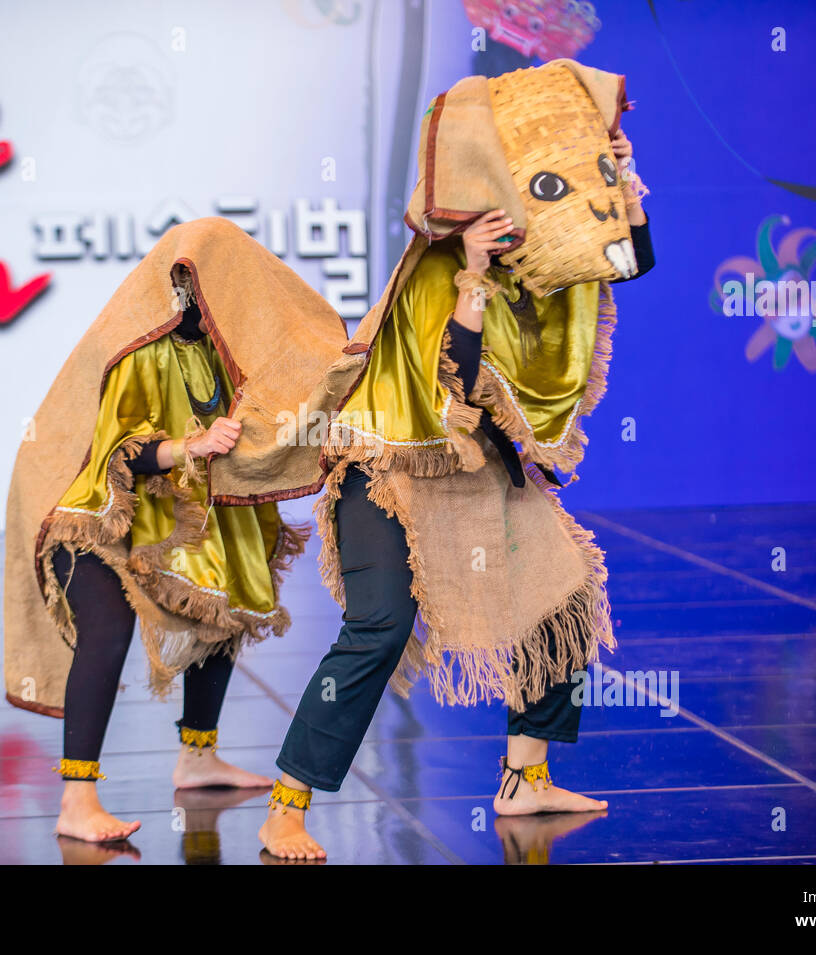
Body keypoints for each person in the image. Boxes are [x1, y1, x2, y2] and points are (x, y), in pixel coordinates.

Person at [256, 60, 656, 859]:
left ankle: (523, 778)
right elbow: (456, 385)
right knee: (379, 627)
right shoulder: (441, 258)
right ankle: (286, 804)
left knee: (564, 597)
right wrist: (471, 273)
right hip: (394, 468)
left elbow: (629, 259)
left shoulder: (547, 259)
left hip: (477, 473)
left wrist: (616, 170)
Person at [2, 218, 348, 843]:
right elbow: (119, 452)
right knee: (107, 629)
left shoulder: (230, 352)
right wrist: (188, 446)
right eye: (192, 281)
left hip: (187, 515)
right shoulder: (139, 346)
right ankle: (77, 799)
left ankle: (197, 757)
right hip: (101, 513)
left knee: (222, 611)